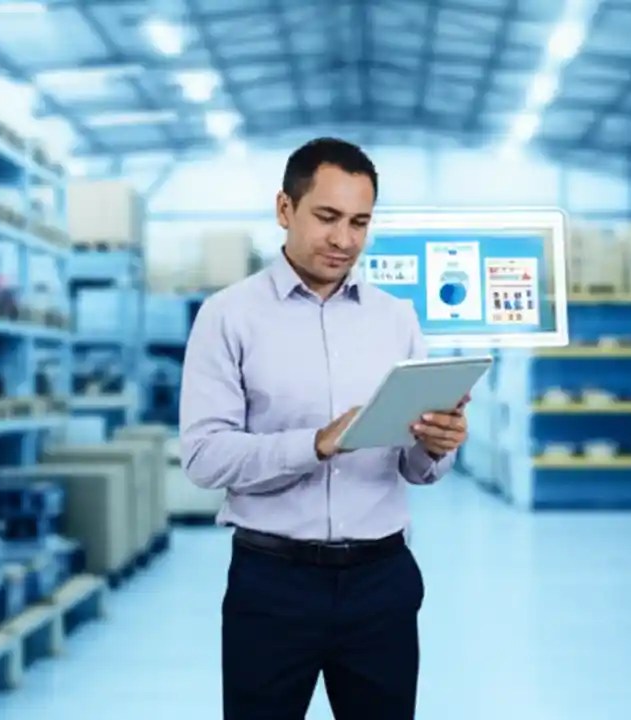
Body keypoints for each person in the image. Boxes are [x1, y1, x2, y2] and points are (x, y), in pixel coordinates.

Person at [179, 136, 469, 720]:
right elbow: (204, 456)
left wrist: (437, 445)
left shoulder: (395, 318)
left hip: (381, 583)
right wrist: (315, 445)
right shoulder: (228, 316)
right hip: (272, 584)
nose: (344, 240)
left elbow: (416, 468)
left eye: (360, 222)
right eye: (328, 217)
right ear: (285, 209)